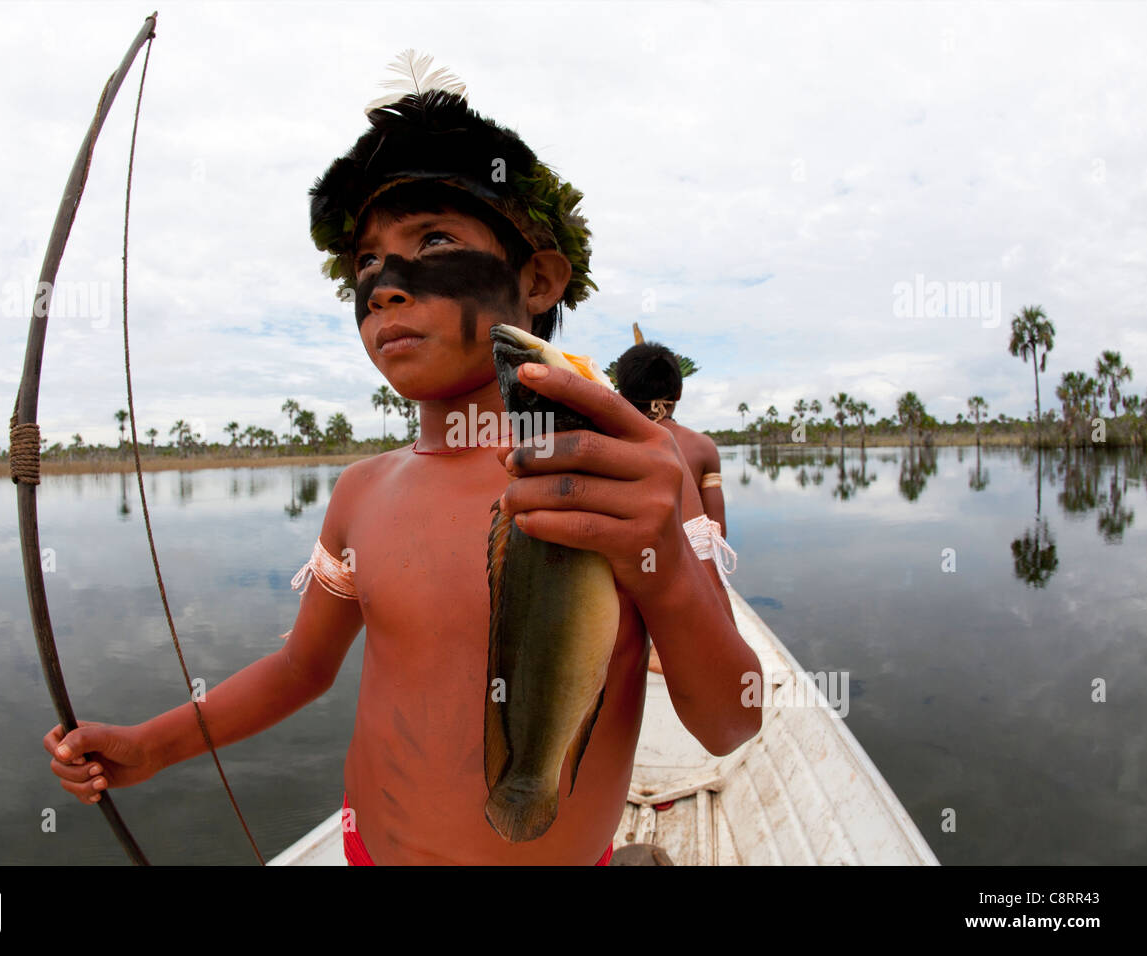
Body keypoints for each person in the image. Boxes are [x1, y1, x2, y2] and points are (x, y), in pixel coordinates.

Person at [43, 56, 760, 865]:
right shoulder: (360, 491)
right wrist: (150, 746)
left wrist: (662, 560)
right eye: (367, 265)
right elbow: (298, 668)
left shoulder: (631, 470)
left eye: (436, 240)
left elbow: (730, 719)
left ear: (537, 279)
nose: (386, 284)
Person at [613, 338, 728, 539]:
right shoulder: (703, 447)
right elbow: (718, 534)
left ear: (621, 395)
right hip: (690, 566)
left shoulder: (606, 443)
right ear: (679, 393)